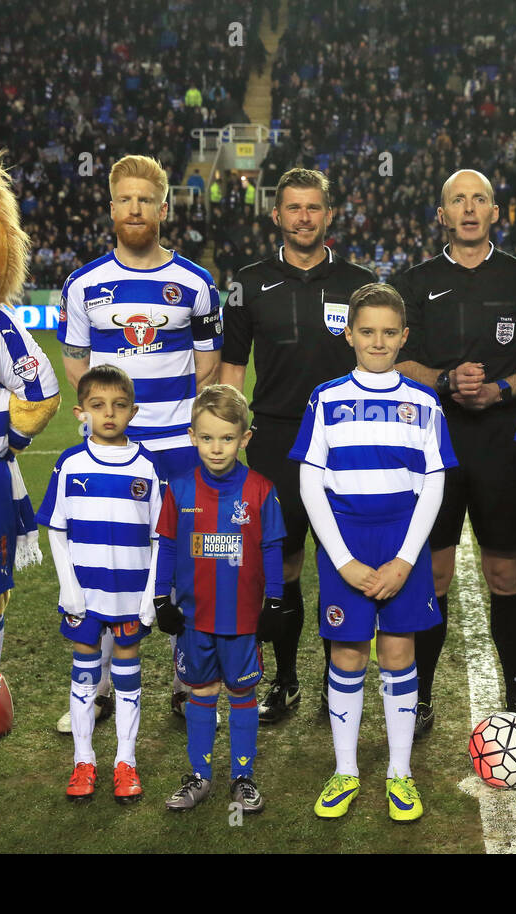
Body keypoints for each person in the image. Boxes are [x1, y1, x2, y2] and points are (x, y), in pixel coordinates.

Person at [54, 154, 223, 733]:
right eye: (125, 199)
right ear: (111, 208)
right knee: (101, 560)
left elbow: (208, 366)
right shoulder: (84, 284)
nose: (135, 209)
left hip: (176, 447)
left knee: (182, 566)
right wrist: (111, 421)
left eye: (145, 200)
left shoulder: (196, 284)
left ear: (163, 208)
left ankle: (185, 684)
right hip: (106, 453)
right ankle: (96, 689)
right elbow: (76, 363)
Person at [392, 168, 516, 735]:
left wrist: (499, 390)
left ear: (495, 212)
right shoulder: (413, 282)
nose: (468, 208)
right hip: (433, 445)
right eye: (457, 200)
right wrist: (442, 381)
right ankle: (421, 696)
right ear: (442, 215)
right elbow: (392, 358)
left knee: (505, 575)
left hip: (503, 444)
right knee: (433, 576)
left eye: (479, 199)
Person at [290, 283, 456, 821]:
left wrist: (407, 559)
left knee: (398, 653)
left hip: (401, 539)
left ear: (404, 336)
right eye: (368, 331)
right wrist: (342, 560)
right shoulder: (327, 397)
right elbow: (310, 480)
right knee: (347, 654)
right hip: (347, 541)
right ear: (349, 334)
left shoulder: (424, 401)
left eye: (389, 333)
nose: (378, 341)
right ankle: (345, 770)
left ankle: (400, 774)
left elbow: (433, 482)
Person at [221, 167, 376, 722]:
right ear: (277, 215)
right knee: (281, 568)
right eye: (294, 208)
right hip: (276, 439)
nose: (304, 217)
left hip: (346, 439)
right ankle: (284, 681)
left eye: (314, 208)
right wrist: (233, 439)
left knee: (345, 561)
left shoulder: (360, 283)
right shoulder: (247, 282)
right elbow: (232, 369)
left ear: (329, 215)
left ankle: (342, 680)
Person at [156, 385, 286, 813]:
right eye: (207, 437)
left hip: (242, 619)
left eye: (227, 438)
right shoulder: (178, 489)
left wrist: (273, 603)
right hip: (195, 618)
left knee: (243, 694)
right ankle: (199, 776)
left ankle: (243, 778)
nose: (216, 448)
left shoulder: (261, 490)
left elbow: (271, 548)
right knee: (201, 692)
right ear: (193, 436)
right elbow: (170, 546)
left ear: (244, 439)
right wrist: (161, 600)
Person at [37, 365, 161, 803]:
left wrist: (150, 595)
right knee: (86, 669)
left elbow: (159, 536)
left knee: (127, 670)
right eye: (97, 405)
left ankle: (125, 760)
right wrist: (67, 587)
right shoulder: (70, 463)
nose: (109, 414)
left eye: (119, 405)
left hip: (130, 594)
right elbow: (55, 528)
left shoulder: (148, 466)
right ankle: (83, 759)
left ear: (133, 410)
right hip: (85, 593)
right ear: (81, 412)